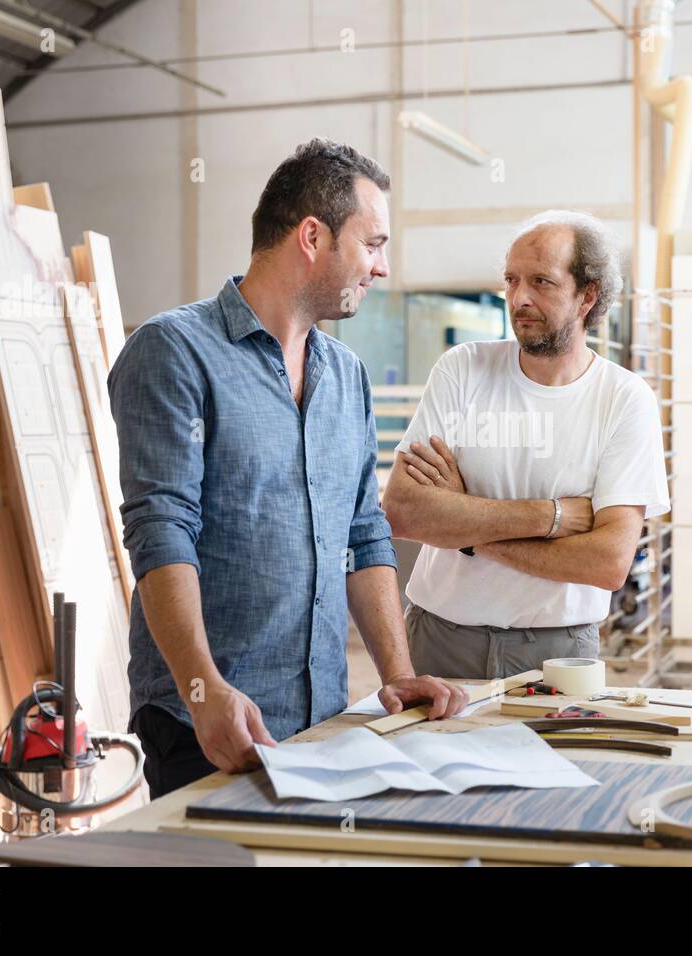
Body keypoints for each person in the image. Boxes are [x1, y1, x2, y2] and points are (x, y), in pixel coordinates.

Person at [109, 138, 466, 798]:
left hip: (322, 723)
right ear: (312, 236)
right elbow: (161, 532)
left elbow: (363, 533)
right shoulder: (174, 353)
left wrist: (397, 671)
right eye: (373, 243)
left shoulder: (346, 376)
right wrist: (203, 688)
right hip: (210, 726)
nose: (382, 267)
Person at [382, 210, 670, 680]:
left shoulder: (624, 399)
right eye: (511, 280)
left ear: (587, 296)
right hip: (438, 638)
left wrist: (466, 527)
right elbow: (403, 512)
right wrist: (552, 516)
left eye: (541, 281)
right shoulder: (463, 370)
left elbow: (607, 562)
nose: (519, 298)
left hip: (559, 652)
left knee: (552, 757)